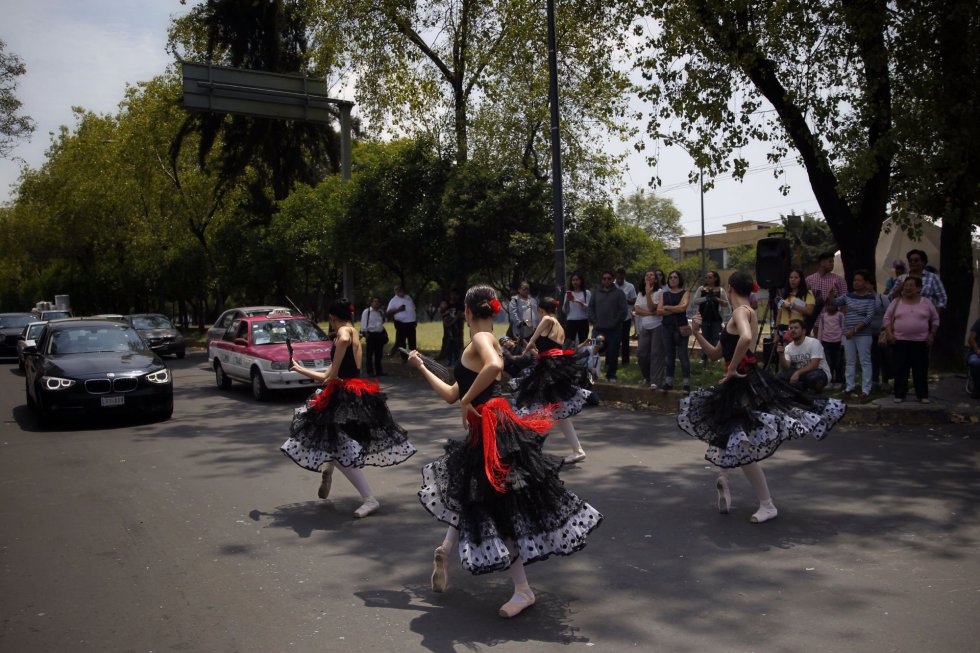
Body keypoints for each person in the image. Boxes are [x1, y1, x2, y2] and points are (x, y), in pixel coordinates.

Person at [407, 285, 602, 618]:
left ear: (467, 311)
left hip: (492, 427)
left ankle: (523, 590)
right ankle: (446, 549)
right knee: (475, 494)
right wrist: (422, 366)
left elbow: (494, 367)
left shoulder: (482, 340)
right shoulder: (482, 340)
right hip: (484, 429)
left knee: (500, 503)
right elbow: (453, 393)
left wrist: (469, 401)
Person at [678, 271, 846, 523]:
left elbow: (746, 338)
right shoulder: (738, 314)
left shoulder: (741, 311)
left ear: (730, 288)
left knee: (742, 445)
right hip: (735, 384)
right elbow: (714, 354)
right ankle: (724, 478)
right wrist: (697, 332)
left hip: (743, 381)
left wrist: (733, 368)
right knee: (726, 433)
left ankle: (767, 504)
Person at [281, 299, 416, 518]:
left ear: (334, 318)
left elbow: (328, 377)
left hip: (344, 394)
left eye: (331, 322)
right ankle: (329, 468)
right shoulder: (353, 331)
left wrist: (300, 368)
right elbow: (335, 373)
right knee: (335, 439)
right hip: (351, 390)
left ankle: (369, 499)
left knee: (339, 445)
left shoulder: (345, 332)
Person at [512, 297, 593, 464]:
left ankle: (527, 448)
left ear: (541, 310)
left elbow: (535, 340)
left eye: (539, 312)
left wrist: (527, 346)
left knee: (535, 407)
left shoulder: (548, 319)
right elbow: (545, 351)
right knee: (557, 411)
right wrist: (528, 348)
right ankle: (577, 450)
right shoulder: (559, 326)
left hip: (549, 368)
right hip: (551, 365)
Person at [883, 276, 939, 403]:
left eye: (911, 285)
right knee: (901, 368)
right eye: (906, 285)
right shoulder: (897, 301)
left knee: (920, 369)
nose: (908, 288)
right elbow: (886, 318)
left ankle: (922, 395)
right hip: (900, 340)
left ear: (919, 288)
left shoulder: (926, 302)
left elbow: (935, 319)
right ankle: (900, 394)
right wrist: (889, 333)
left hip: (921, 341)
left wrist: (932, 334)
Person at [832, 269, 877, 402]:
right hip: (848, 334)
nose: (856, 283)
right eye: (854, 280)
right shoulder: (848, 296)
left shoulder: (870, 298)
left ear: (865, 282)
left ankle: (866, 389)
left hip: (863, 334)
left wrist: (855, 329)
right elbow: (834, 303)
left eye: (859, 280)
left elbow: (869, 317)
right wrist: (830, 295)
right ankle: (849, 387)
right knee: (850, 361)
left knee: (865, 361)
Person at [587, 270, 627, 382]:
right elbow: (590, 309)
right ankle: (592, 374)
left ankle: (611, 375)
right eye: (604, 278)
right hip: (598, 329)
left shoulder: (619, 293)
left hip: (614, 330)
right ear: (601, 280)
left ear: (612, 279)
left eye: (609, 278)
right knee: (593, 352)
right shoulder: (596, 293)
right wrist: (594, 322)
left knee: (613, 353)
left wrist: (615, 322)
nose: (606, 280)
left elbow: (623, 311)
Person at [658, 270, 691, 393]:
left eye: (675, 277)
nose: (672, 279)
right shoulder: (663, 294)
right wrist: (674, 309)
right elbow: (659, 311)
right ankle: (669, 382)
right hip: (666, 328)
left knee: (683, 356)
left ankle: (686, 383)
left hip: (681, 329)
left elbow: (683, 308)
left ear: (679, 279)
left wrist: (667, 307)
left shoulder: (685, 292)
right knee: (669, 356)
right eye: (670, 277)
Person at [776, 319, 831, 393]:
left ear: (803, 331)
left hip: (819, 372)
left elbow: (814, 365)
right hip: (802, 375)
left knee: (813, 377)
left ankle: (816, 393)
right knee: (780, 376)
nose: (793, 330)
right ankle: (801, 390)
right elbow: (786, 367)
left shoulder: (814, 342)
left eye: (796, 328)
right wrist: (781, 355)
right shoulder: (788, 348)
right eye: (791, 328)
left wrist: (797, 373)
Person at [690, 270, 729, 366]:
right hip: (704, 316)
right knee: (705, 337)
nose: (707, 279)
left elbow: (726, 303)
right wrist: (706, 298)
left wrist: (716, 299)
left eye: (710, 277)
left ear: (715, 278)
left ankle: (715, 358)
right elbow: (695, 301)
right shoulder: (701, 289)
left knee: (715, 337)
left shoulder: (720, 290)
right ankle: (704, 357)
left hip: (715, 316)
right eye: (706, 277)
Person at [634, 269, 665, 389]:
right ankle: (647, 377)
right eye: (646, 275)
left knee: (656, 354)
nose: (649, 277)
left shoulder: (659, 292)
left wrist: (648, 294)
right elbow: (637, 310)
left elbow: (654, 308)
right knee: (641, 354)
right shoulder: (640, 294)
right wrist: (648, 313)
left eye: (652, 275)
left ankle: (655, 381)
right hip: (644, 327)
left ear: (656, 279)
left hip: (657, 326)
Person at [805, 251, 847, 321]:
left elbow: (845, 301)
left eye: (833, 262)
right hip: (814, 319)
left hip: (833, 320)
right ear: (822, 263)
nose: (832, 264)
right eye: (830, 262)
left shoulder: (839, 280)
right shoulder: (809, 280)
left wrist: (841, 317)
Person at [775, 269, 815, 338]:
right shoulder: (784, 295)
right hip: (783, 330)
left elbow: (809, 311)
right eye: (791, 277)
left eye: (796, 277)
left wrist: (792, 306)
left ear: (801, 279)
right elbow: (779, 316)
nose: (793, 280)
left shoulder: (807, 294)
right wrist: (776, 334)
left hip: (798, 330)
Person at [814, 301, 845, 388]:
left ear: (836, 306)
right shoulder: (823, 316)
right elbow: (820, 329)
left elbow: (843, 328)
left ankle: (839, 380)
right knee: (828, 362)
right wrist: (819, 342)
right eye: (828, 305)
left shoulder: (840, 315)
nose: (830, 307)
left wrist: (843, 341)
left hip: (837, 342)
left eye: (832, 305)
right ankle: (829, 380)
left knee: (838, 362)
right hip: (826, 342)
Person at [614, 267, 637, 365]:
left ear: (624, 277)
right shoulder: (611, 285)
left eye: (621, 278)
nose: (619, 280)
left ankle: (625, 361)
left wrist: (625, 300)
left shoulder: (630, 286)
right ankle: (612, 361)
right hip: (613, 317)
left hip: (626, 317)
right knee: (614, 340)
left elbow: (634, 300)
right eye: (618, 278)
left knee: (625, 340)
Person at [387, 286, 417, 361]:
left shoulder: (408, 297)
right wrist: (398, 309)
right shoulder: (393, 300)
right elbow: (388, 312)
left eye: (401, 290)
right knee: (401, 342)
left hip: (411, 323)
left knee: (412, 342)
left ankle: (413, 358)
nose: (400, 292)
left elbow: (413, 309)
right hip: (401, 323)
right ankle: (404, 358)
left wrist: (414, 319)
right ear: (395, 292)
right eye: (397, 290)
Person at [360, 297, 388, 377]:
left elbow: (382, 322)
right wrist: (366, 333)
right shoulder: (367, 311)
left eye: (378, 302)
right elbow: (363, 323)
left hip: (379, 334)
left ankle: (379, 371)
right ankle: (370, 372)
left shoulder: (380, 312)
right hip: (370, 334)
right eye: (375, 301)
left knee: (379, 354)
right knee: (369, 354)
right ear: (371, 303)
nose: (376, 303)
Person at [562, 271, 591, 346]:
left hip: (583, 321)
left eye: (577, 280)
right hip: (571, 321)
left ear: (581, 280)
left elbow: (589, 308)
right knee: (569, 343)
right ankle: (569, 357)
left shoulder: (586, 293)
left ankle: (582, 357)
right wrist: (567, 301)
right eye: (573, 280)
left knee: (582, 343)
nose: (575, 282)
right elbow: (565, 310)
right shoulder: (568, 293)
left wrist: (578, 301)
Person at [507, 281, 539, 345]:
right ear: (519, 290)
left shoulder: (533, 300)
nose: (526, 291)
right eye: (524, 289)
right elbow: (513, 313)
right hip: (519, 331)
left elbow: (537, 313)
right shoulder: (515, 300)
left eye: (528, 289)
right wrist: (519, 323)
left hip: (532, 330)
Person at [967, 318, 980, 399]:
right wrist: (977, 350)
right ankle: (977, 388)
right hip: (977, 353)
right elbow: (971, 339)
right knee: (975, 362)